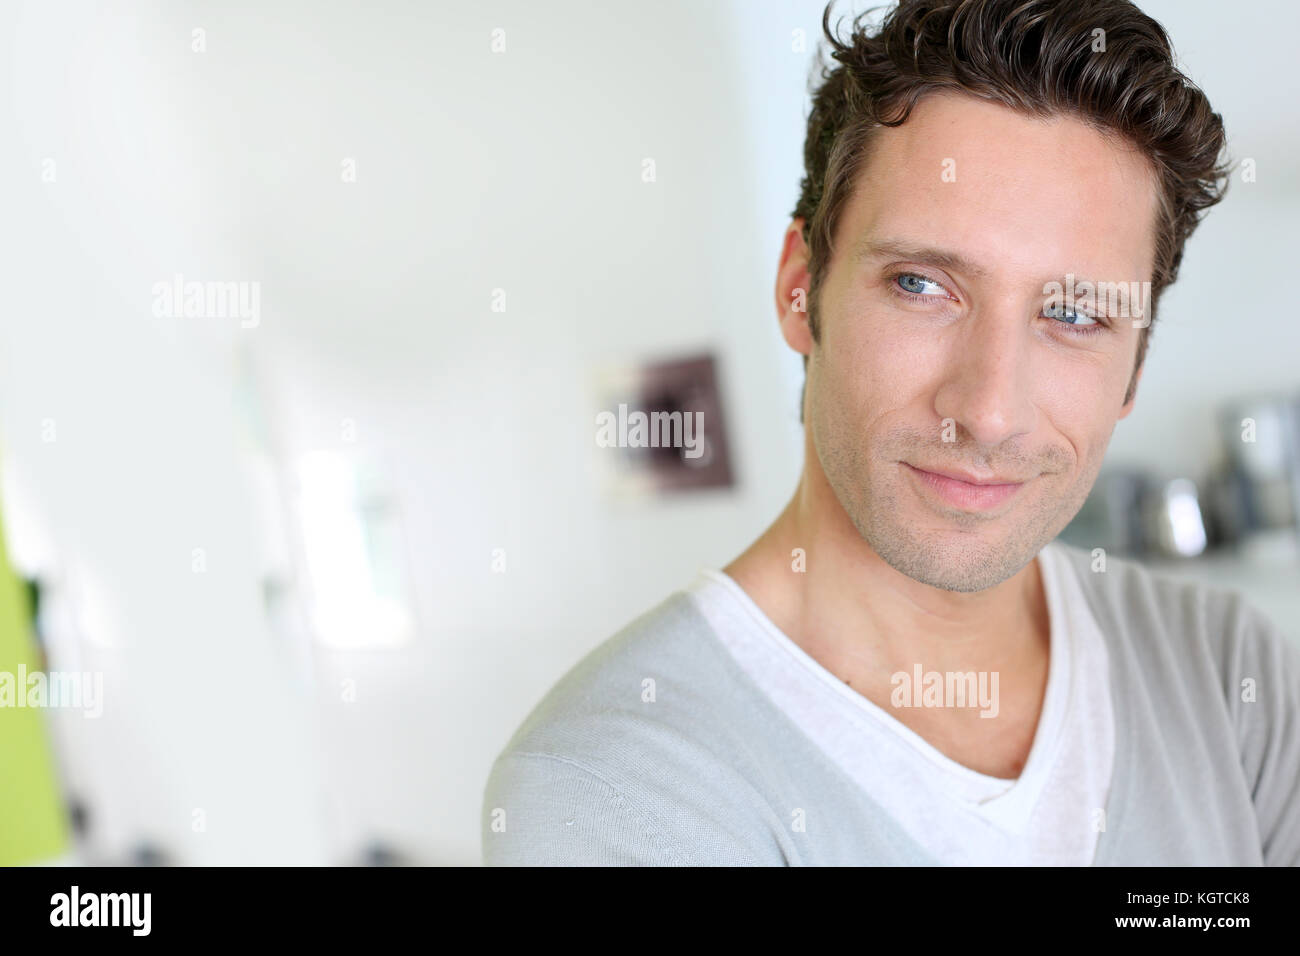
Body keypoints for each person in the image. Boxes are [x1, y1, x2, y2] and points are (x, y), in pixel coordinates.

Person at [481, 0, 1300, 865]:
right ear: (802, 289)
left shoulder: (1223, 675)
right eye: (921, 285)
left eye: (1073, 313)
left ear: (1134, 368)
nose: (987, 411)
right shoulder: (612, 791)